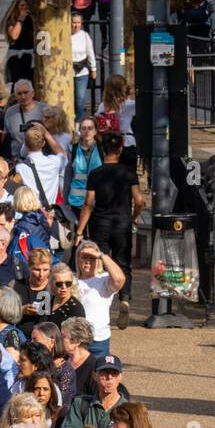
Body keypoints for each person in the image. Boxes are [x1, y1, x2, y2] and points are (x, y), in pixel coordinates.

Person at [75, 134, 142, 328]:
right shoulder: (128, 173)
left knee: (99, 262)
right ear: (121, 149)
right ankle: (125, 298)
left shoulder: (95, 173)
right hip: (122, 222)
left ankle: (100, 301)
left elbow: (88, 204)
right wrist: (134, 216)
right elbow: (139, 200)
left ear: (102, 149)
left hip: (100, 223)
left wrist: (79, 231)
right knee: (123, 262)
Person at [71, 242, 125, 354]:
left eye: (92, 258)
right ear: (77, 259)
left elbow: (119, 279)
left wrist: (100, 255)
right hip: (73, 340)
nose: (87, 261)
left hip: (98, 341)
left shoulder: (103, 279)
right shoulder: (70, 280)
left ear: (98, 261)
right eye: (84, 257)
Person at [61, 354, 127, 428]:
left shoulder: (128, 409)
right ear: (94, 375)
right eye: (104, 373)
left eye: (114, 373)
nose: (109, 377)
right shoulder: (80, 403)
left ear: (120, 377)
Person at [70, 11, 98, 124]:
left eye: (78, 22)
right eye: (73, 22)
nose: (75, 25)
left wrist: (93, 68)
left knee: (80, 99)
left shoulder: (85, 36)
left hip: (82, 71)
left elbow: (90, 52)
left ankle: (78, 123)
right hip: (68, 71)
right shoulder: (65, 35)